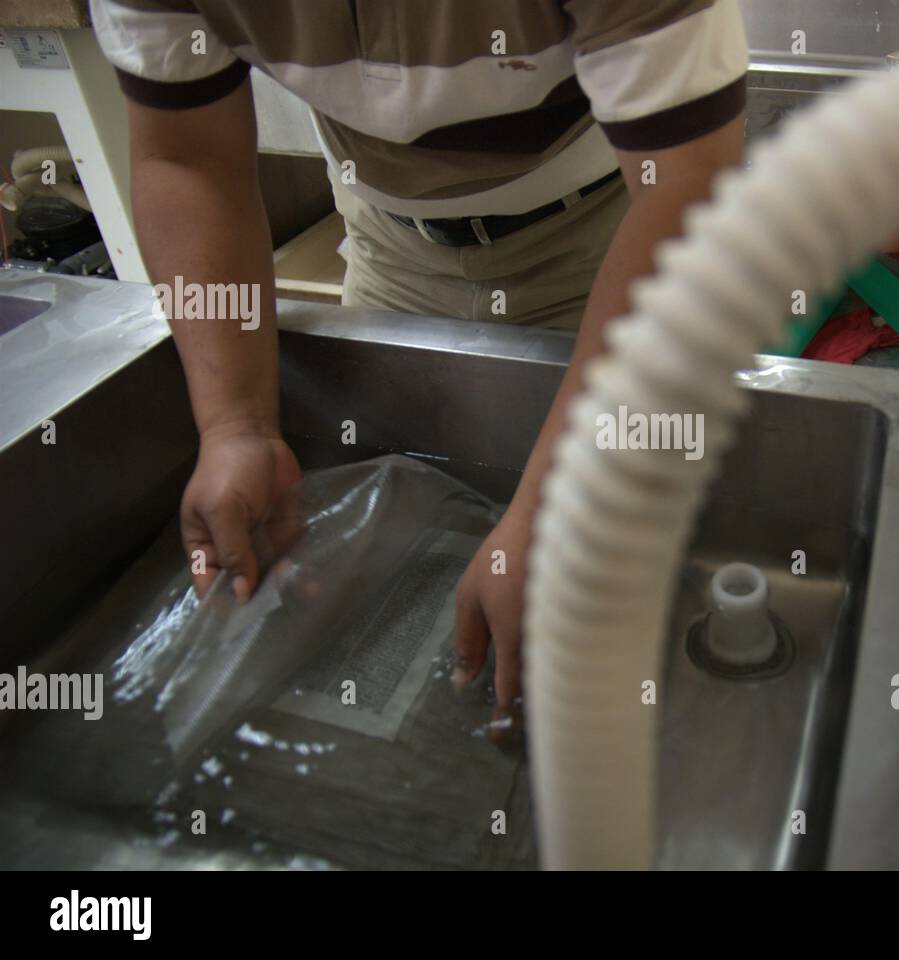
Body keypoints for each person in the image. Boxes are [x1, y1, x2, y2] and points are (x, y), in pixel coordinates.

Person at [91, 0, 749, 732]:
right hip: (388, 239)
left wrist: (556, 504)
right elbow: (188, 159)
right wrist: (235, 424)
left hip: (610, 233)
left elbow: (687, 196)